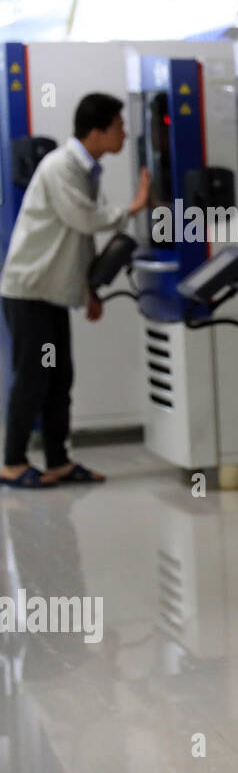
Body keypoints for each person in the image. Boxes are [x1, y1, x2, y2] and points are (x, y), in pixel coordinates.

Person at [0, 93, 150, 489]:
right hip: (30, 292)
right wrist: (133, 207)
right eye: (119, 126)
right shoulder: (61, 166)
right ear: (98, 131)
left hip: (54, 292)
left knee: (58, 376)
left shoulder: (86, 169)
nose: (125, 133)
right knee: (33, 377)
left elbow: (74, 242)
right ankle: (12, 462)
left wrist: (88, 290)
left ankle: (58, 461)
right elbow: (83, 220)